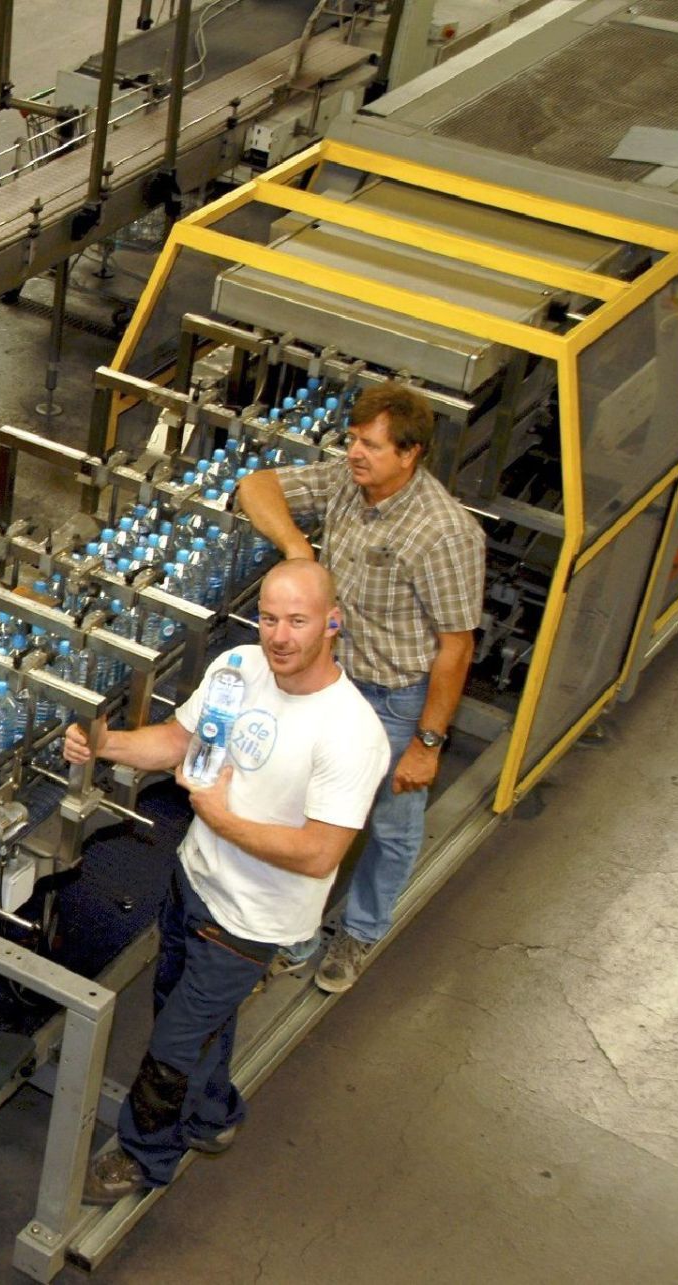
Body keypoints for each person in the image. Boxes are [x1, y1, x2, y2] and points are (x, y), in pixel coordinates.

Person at [63, 561, 389, 1204]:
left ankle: (143, 1155)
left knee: (174, 1041)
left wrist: (217, 814)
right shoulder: (237, 669)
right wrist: (106, 744)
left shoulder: (352, 734)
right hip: (194, 880)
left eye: (298, 621)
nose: (280, 636)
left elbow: (320, 854)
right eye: (270, 618)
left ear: (333, 622)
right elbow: (177, 742)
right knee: (183, 1011)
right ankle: (212, 1116)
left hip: (252, 920)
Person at [235, 381, 484, 993]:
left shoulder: (443, 534)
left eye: (370, 445)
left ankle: (362, 931)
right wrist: (298, 547)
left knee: (391, 824)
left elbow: (457, 645)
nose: (354, 453)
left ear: (410, 454)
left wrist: (427, 742)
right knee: (302, 807)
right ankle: (296, 937)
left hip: (398, 698)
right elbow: (255, 485)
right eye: (352, 440)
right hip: (334, 685)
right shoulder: (348, 483)